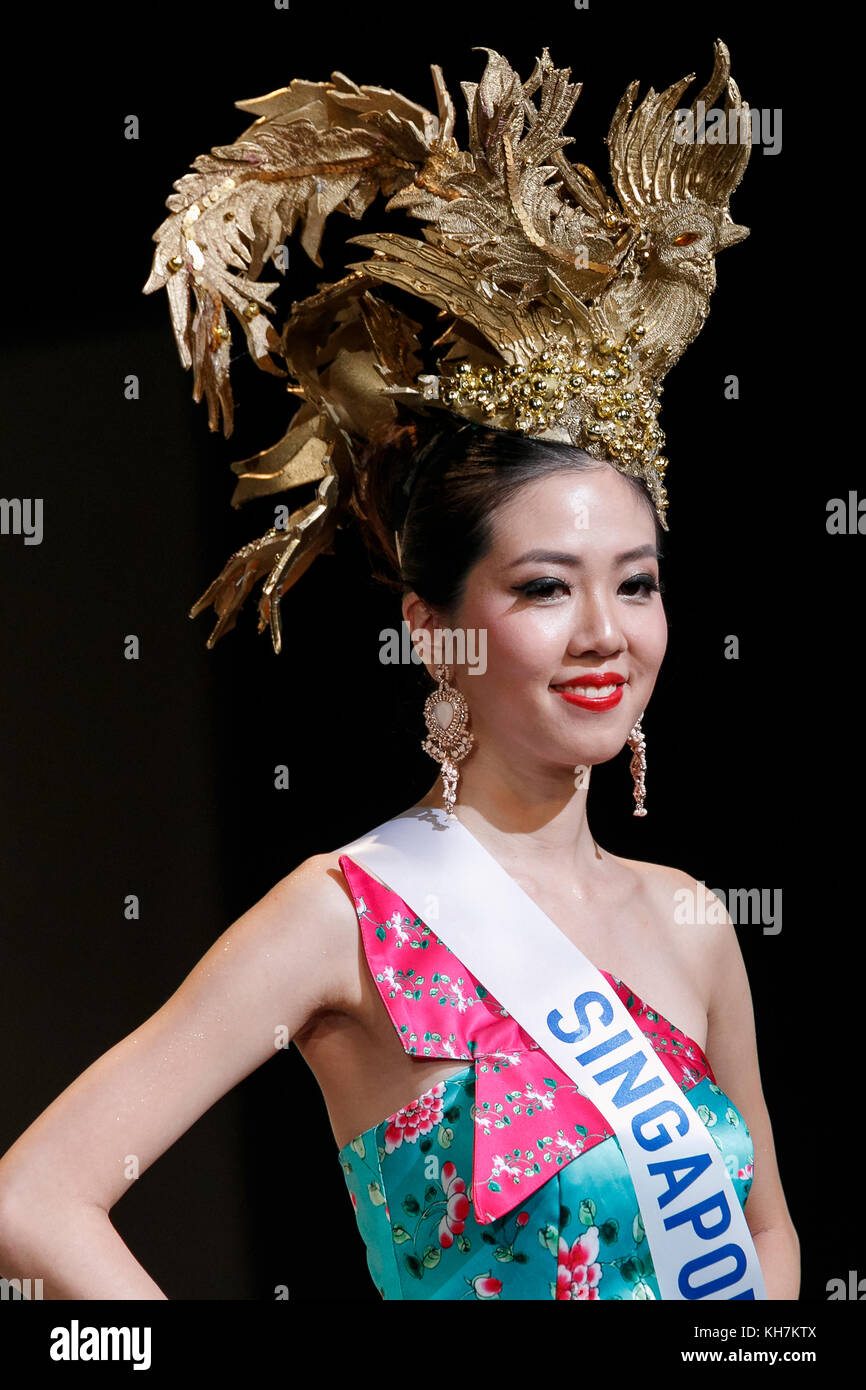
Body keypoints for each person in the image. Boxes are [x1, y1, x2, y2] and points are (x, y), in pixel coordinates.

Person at [0, 40, 800, 1301]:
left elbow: (766, 1239)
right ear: (436, 632)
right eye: (543, 587)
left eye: (633, 582)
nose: (604, 630)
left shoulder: (690, 918)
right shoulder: (345, 913)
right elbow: (34, 1197)